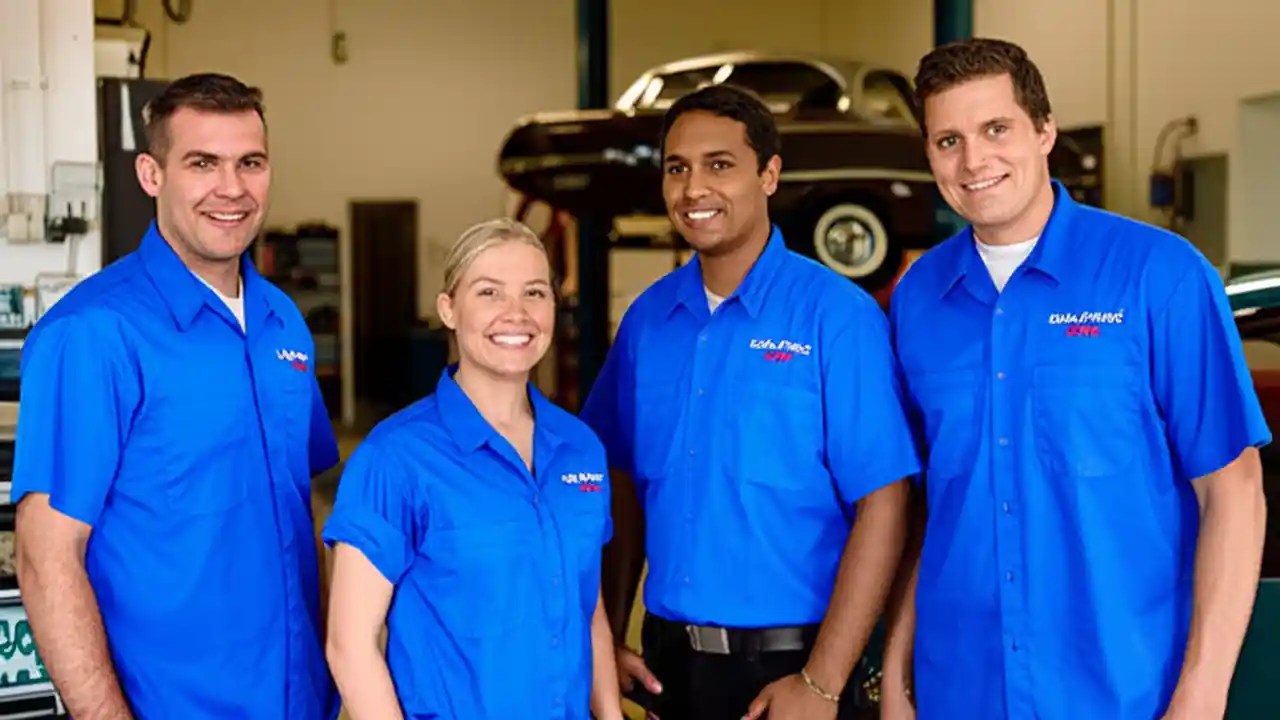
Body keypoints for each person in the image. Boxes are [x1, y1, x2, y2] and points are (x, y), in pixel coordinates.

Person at [881, 37, 1270, 720]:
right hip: (959, 689)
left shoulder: (1161, 275)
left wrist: (1202, 697)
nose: (974, 160)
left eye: (995, 129)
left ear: (1044, 132)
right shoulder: (916, 300)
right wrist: (895, 671)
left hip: (1125, 691)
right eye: (948, 140)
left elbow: (1234, 492)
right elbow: (929, 504)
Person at [579, 84, 919, 720]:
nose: (693, 189)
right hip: (667, 667)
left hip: (797, 668)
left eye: (719, 165)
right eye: (676, 168)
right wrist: (609, 636)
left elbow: (886, 501)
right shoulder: (648, 321)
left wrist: (821, 682)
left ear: (769, 175)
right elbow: (618, 480)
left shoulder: (836, 319)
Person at [11, 73, 340, 718]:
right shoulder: (92, 335)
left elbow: (303, 512)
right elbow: (44, 557)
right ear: (150, 174)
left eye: (250, 162)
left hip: (301, 699)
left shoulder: (283, 322)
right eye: (202, 163)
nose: (232, 188)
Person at [321, 218, 625, 720]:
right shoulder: (397, 457)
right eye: (489, 293)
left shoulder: (581, 449)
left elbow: (585, 609)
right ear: (448, 309)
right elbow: (350, 646)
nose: (516, 314)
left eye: (534, 292)